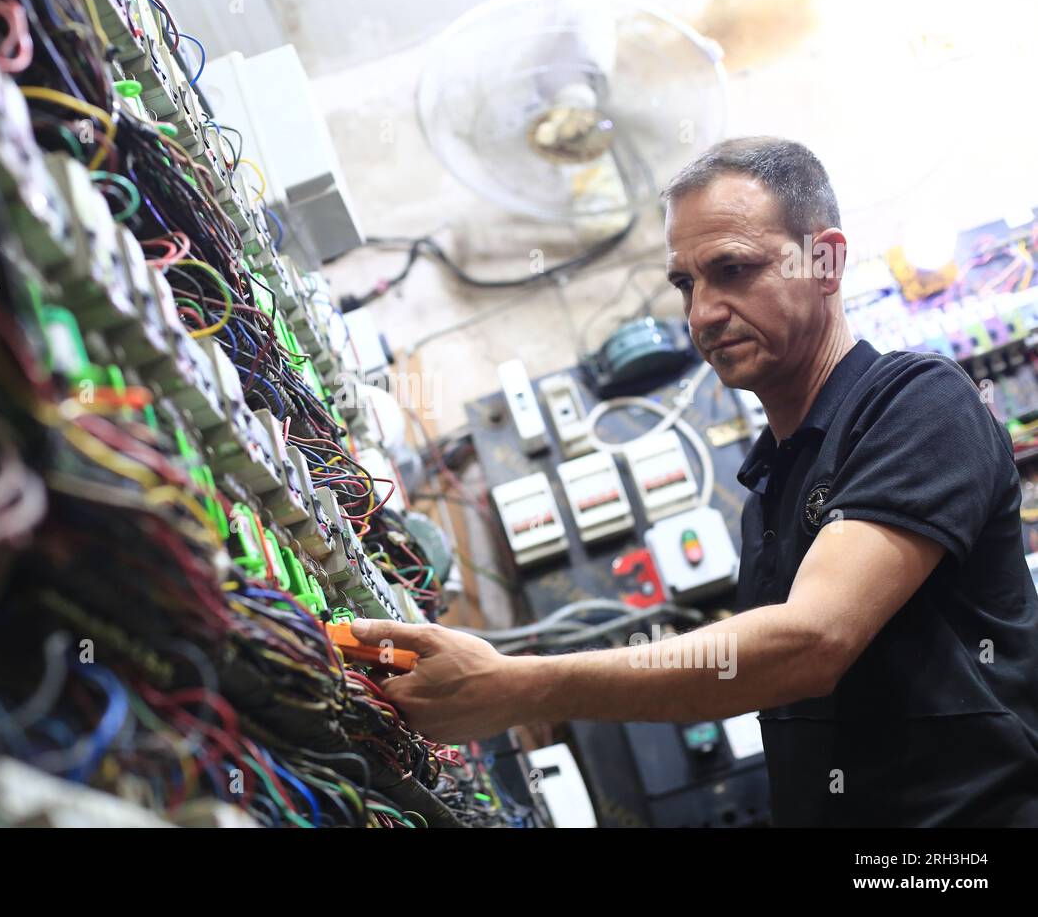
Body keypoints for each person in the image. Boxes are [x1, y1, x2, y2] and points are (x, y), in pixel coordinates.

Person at [353, 137, 1038, 826]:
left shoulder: (918, 402)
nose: (703, 313)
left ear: (826, 261)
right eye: (687, 283)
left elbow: (810, 644)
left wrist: (519, 684)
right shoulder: (772, 485)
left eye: (733, 270)